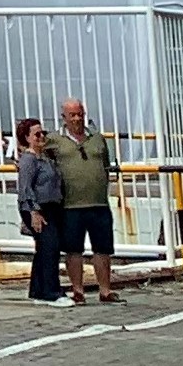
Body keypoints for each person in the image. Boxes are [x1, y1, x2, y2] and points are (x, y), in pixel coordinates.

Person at [43, 98, 120, 304]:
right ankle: (78, 291)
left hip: (99, 203)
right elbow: (39, 158)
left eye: (80, 114)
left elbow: (105, 164)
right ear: (64, 118)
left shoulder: (97, 138)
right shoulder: (54, 140)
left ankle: (105, 290)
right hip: (70, 205)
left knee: (103, 249)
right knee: (73, 250)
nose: (77, 119)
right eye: (72, 115)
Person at [13, 116, 67, 302]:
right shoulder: (28, 160)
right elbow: (26, 188)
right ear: (27, 138)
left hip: (52, 207)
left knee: (45, 248)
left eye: (42, 133)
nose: (41, 137)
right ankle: (50, 291)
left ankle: (37, 289)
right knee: (49, 247)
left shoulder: (44, 158)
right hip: (38, 207)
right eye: (36, 134)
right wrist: (34, 212)